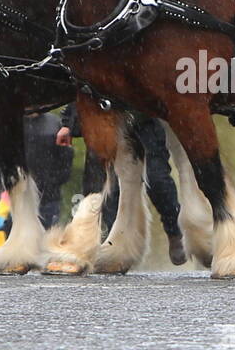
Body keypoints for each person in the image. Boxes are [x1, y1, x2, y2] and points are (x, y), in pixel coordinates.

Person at [59, 106, 186, 266]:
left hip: (147, 117)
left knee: (156, 179)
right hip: (111, 120)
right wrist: (68, 123)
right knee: (111, 187)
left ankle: (174, 232)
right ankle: (115, 247)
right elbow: (85, 86)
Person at [23, 109, 74, 228]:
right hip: (23, 195)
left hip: (49, 196)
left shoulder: (55, 124)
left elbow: (65, 158)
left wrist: (53, 182)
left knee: (46, 234)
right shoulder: (54, 124)